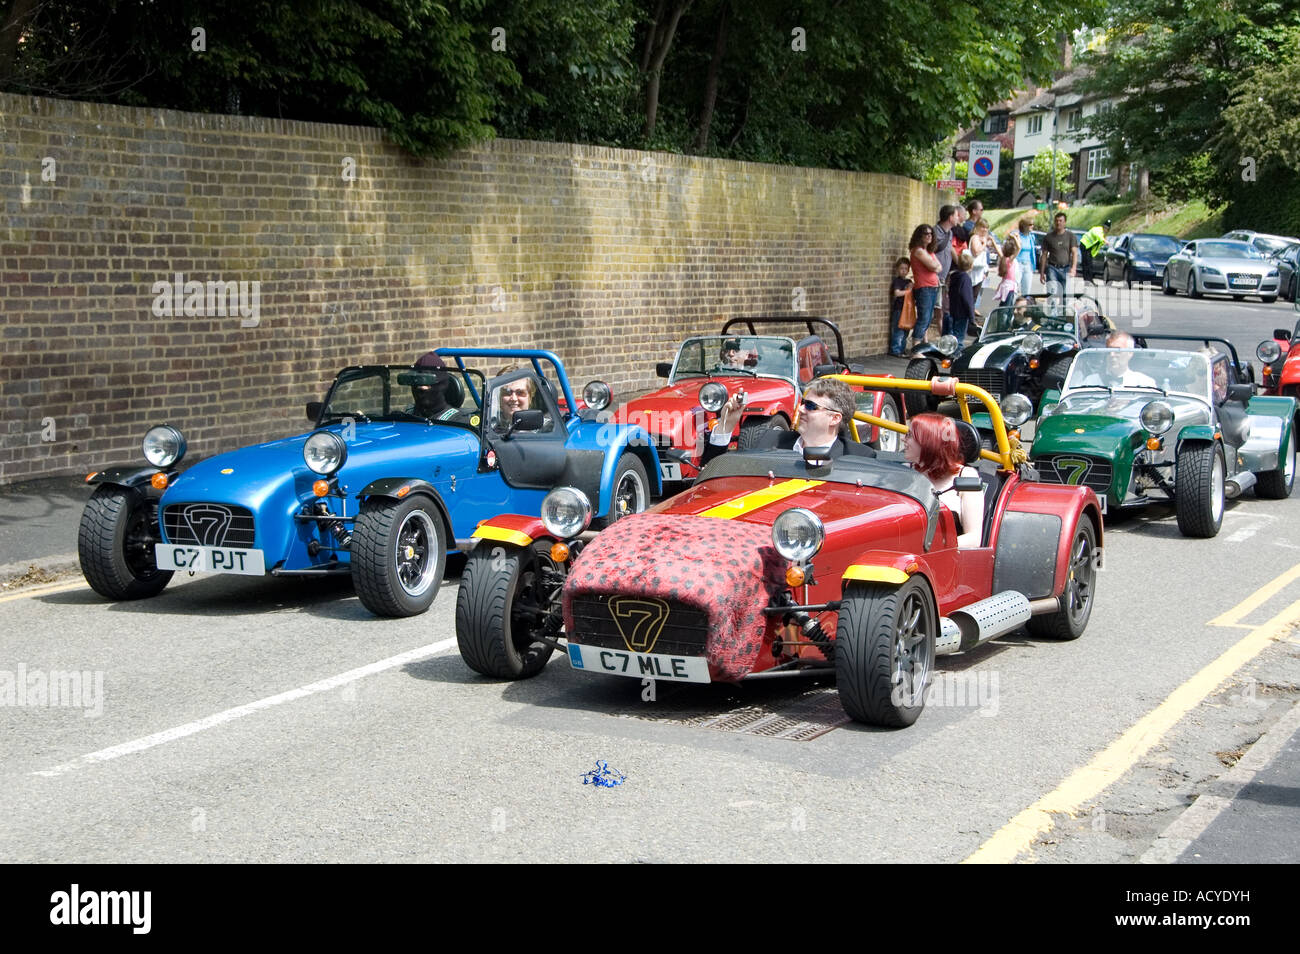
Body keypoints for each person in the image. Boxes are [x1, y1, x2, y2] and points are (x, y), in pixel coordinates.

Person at [701, 377, 874, 464]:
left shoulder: (858, 457)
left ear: (835, 418)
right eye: (803, 403)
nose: (800, 410)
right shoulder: (768, 441)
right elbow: (717, 475)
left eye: (811, 406)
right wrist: (725, 426)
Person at [905, 413, 983, 548]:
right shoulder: (904, 471)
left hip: (944, 560)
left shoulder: (966, 477)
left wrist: (930, 548)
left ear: (929, 441)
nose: (902, 439)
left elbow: (974, 538)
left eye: (909, 435)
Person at [1076, 331, 1157, 388]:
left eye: (1117, 351)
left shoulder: (1144, 383)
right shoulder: (1090, 381)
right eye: (1108, 351)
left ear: (1130, 353)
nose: (1112, 355)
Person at [908, 224, 941, 353]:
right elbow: (933, 267)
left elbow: (939, 266)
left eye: (931, 234)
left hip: (933, 287)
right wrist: (935, 267)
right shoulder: (918, 250)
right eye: (926, 234)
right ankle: (916, 348)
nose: (929, 236)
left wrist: (935, 267)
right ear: (919, 236)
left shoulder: (929, 251)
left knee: (928, 317)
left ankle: (923, 346)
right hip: (924, 287)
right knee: (923, 317)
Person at [408, 351, 460, 421]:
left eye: (427, 382)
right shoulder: (408, 414)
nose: (421, 387)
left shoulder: (458, 422)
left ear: (441, 385)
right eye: (417, 382)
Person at [1039, 211, 1078, 303]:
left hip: (1066, 268)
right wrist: (1042, 272)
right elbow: (1044, 255)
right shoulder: (1048, 237)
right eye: (1056, 221)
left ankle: (1064, 314)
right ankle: (1052, 315)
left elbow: (1074, 253)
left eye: (1060, 221)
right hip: (1053, 268)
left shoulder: (1070, 236)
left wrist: (1073, 268)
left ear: (1065, 222)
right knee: (1052, 293)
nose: (1058, 223)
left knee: (1066, 295)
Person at [934, 205, 959, 335]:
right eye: (956, 215)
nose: (958, 218)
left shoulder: (950, 233)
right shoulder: (934, 232)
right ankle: (925, 340)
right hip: (934, 277)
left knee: (942, 309)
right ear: (950, 217)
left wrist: (960, 263)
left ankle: (942, 336)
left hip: (943, 278)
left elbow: (950, 249)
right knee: (932, 310)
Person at [1006, 215, 1038, 297]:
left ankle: (1023, 307)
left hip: (1028, 264)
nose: (1032, 226)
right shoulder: (1017, 236)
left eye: (1032, 224)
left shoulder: (1031, 237)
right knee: (1015, 287)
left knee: (1026, 290)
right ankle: (1012, 307)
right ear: (1024, 225)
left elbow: (1032, 252)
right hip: (1018, 263)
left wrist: (1033, 266)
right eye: (1030, 224)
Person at [948, 251, 976, 343]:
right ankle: (956, 354)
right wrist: (971, 316)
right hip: (962, 312)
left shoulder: (954, 277)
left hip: (953, 310)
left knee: (953, 334)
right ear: (971, 266)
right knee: (959, 337)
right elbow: (967, 298)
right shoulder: (966, 279)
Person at [888, 257, 913, 357]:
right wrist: (908, 291)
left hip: (907, 310)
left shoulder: (908, 281)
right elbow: (897, 293)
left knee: (906, 331)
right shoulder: (898, 281)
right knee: (898, 330)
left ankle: (902, 349)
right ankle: (895, 350)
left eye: (906, 269)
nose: (903, 271)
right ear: (897, 269)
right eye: (901, 268)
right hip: (899, 308)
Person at [968, 217, 991, 315]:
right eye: (982, 227)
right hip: (973, 271)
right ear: (977, 227)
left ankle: (971, 315)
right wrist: (984, 244)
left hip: (980, 272)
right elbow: (976, 252)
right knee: (971, 295)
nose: (985, 230)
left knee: (975, 295)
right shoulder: (975, 237)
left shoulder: (981, 238)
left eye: (986, 228)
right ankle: (970, 317)